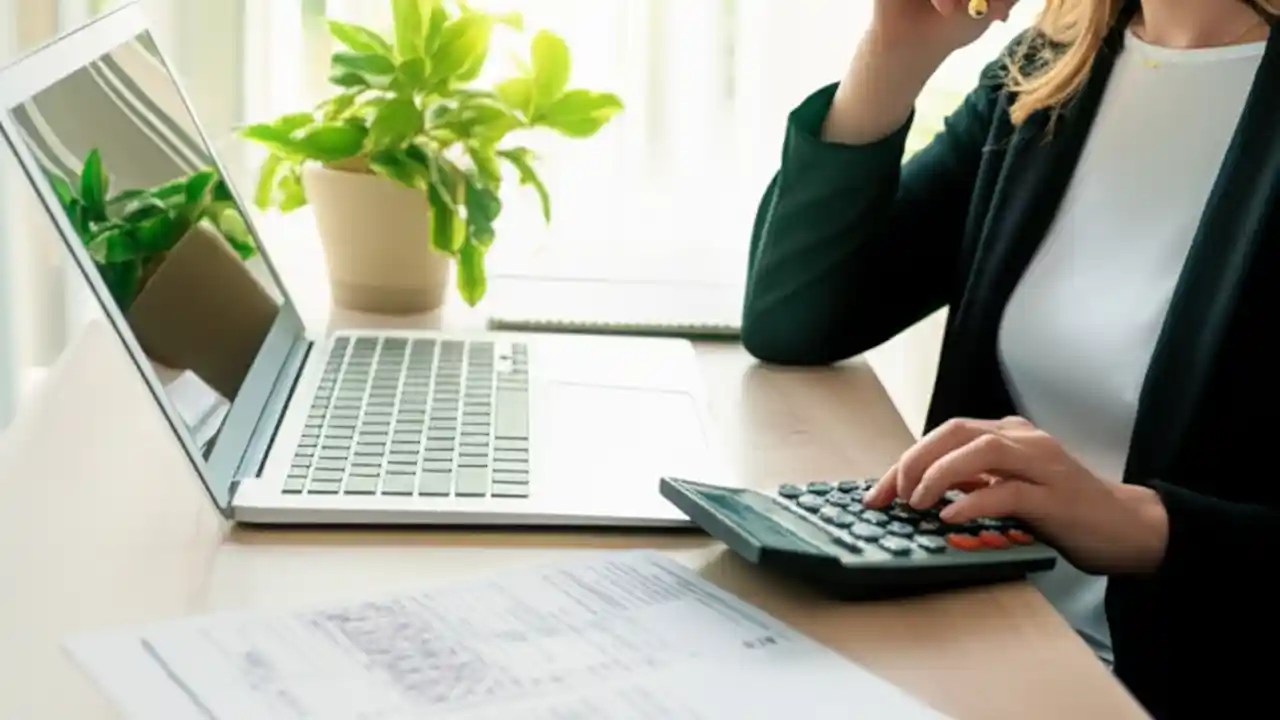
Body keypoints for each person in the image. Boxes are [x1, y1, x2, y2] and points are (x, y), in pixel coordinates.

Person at [742, 0, 1277, 716]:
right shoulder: (1052, 66)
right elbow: (795, 321)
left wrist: (1141, 524)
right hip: (975, 647)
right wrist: (897, 48)